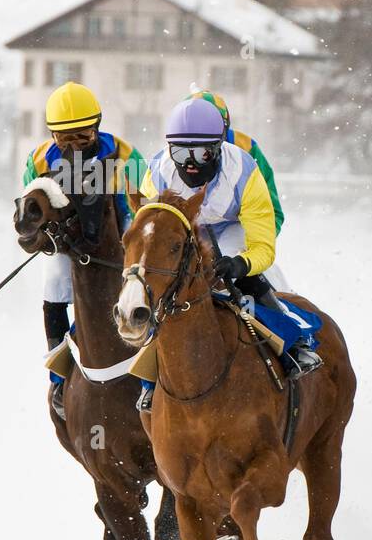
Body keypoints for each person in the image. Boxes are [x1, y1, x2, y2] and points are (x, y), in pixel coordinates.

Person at [134, 98, 321, 412]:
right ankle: (148, 381)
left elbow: (263, 246)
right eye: (180, 152)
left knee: (242, 271)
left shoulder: (245, 171)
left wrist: (241, 263)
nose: (190, 163)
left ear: (219, 147)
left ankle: (295, 344)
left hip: (232, 225)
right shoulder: (157, 173)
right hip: (185, 229)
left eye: (202, 153)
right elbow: (149, 236)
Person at [24, 81, 145, 420]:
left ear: (98, 127)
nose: (76, 146)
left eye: (84, 136)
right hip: (68, 245)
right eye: (66, 138)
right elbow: (36, 212)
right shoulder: (40, 160)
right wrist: (50, 239)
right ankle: (60, 377)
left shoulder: (124, 156)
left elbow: (135, 208)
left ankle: (152, 371)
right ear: (53, 135)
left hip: (116, 240)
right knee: (54, 289)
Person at [186, 88, 285, 233]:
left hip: (236, 227)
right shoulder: (173, 152)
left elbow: (270, 211)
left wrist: (257, 245)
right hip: (191, 227)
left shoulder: (248, 148)